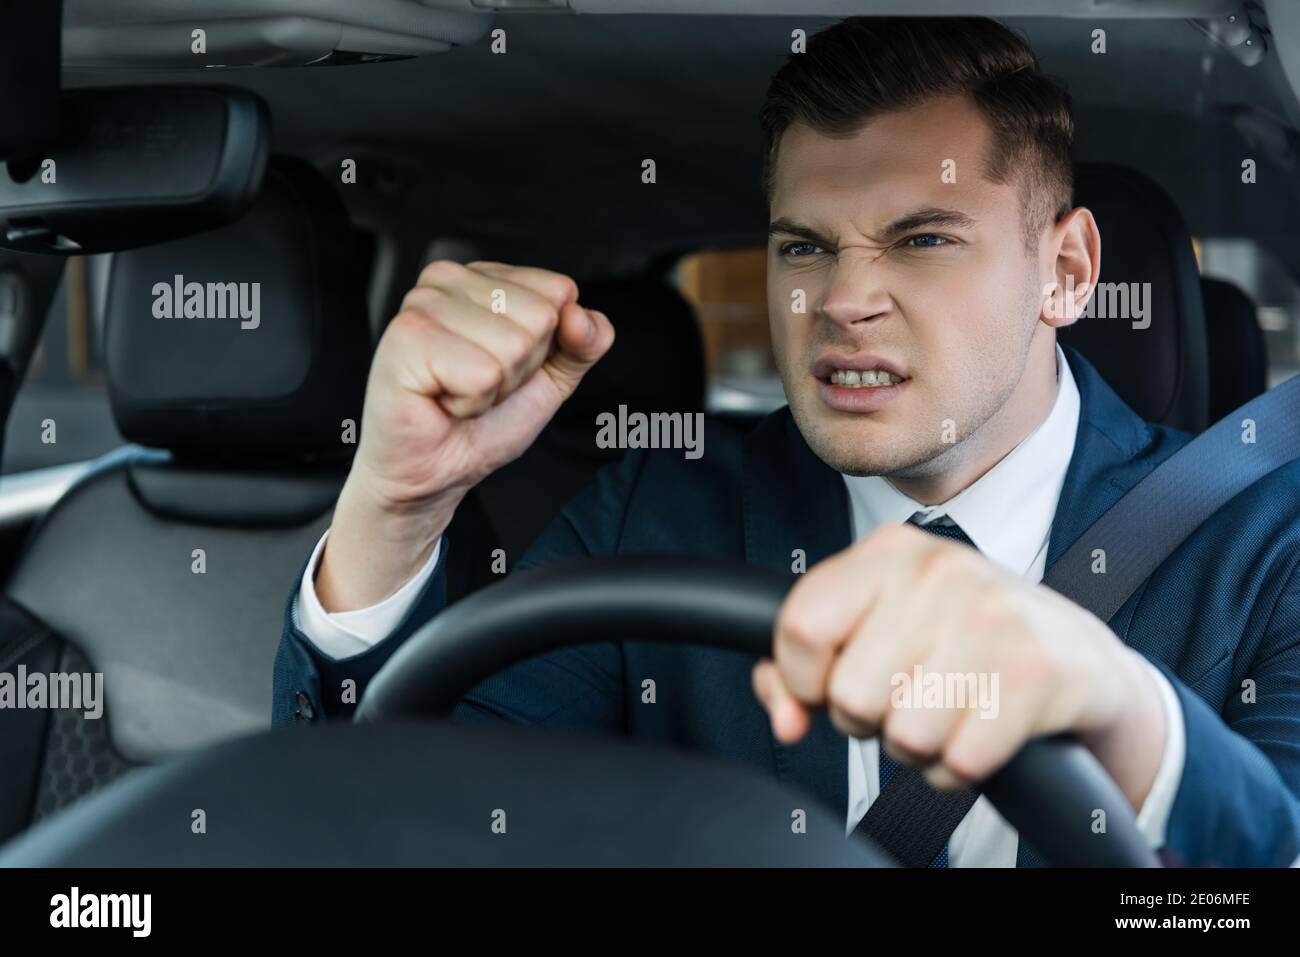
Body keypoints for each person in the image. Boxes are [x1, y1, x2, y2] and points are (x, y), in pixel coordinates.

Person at [272, 16, 1300, 867]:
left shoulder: (1266, 541)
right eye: (803, 247)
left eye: (924, 238)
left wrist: (1121, 710)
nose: (843, 301)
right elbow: (401, 833)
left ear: (1068, 271)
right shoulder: (655, 516)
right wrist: (392, 515)